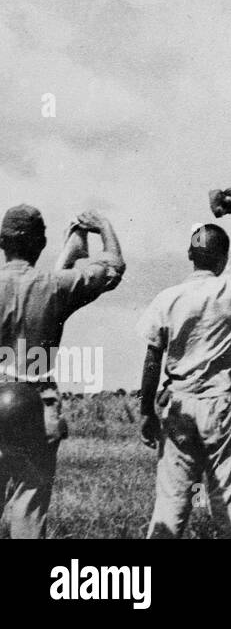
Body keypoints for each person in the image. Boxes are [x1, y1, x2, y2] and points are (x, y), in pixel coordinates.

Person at [139, 191, 231, 538]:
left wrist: (146, 411)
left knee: (170, 505)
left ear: (189, 255)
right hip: (223, 404)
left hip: (178, 403)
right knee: (228, 504)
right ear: (224, 258)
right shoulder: (230, 287)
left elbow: (152, 360)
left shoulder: (166, 299)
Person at [0, 205, 125, 538]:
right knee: (29, 502)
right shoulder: (55, 285)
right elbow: (112, 267)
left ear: (2, 243)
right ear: (40, 244)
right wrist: (103, 225)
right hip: (34, 404)